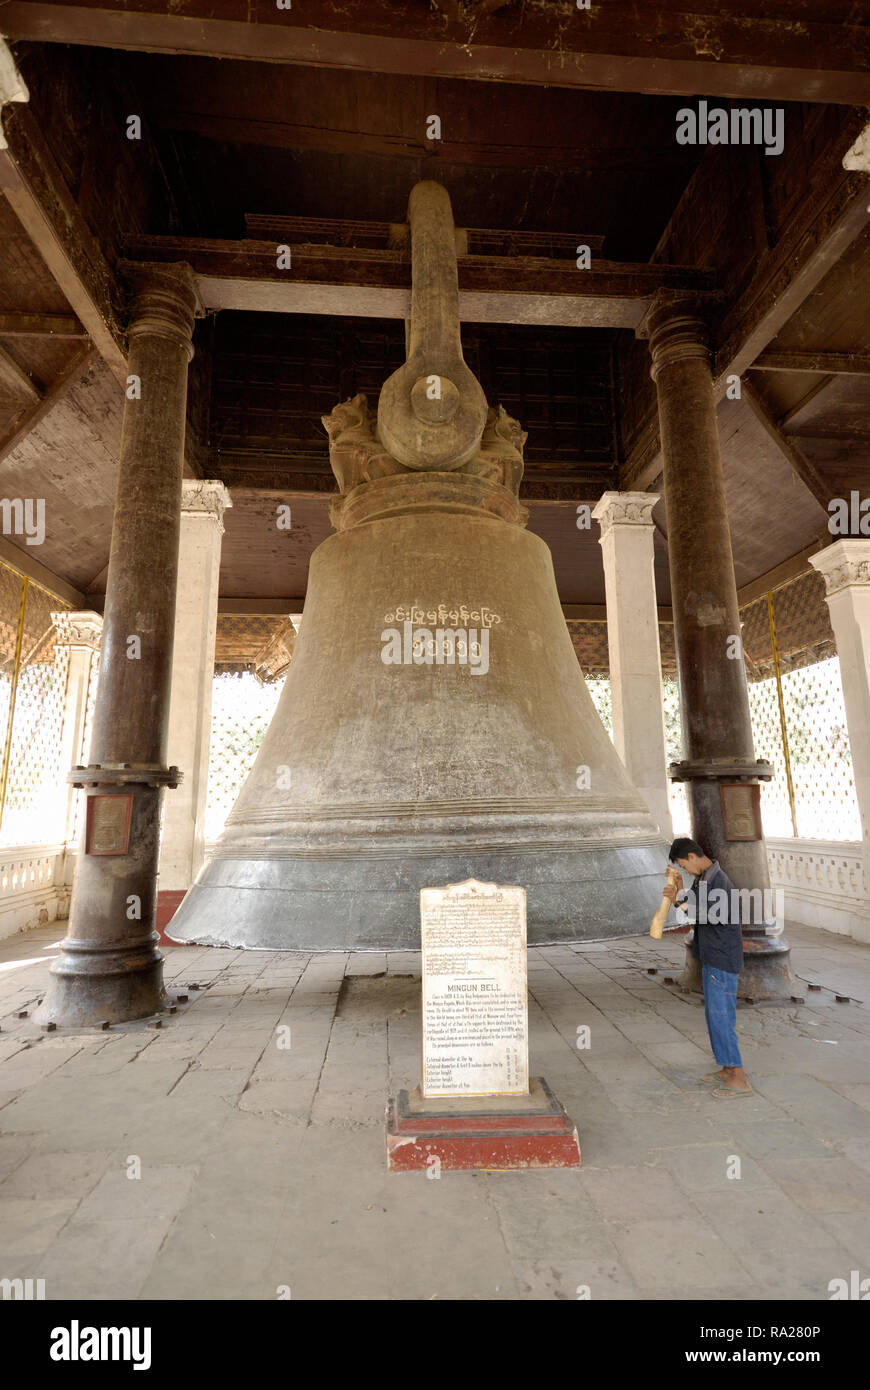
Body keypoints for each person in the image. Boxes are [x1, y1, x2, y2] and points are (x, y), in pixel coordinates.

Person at [664, 837, 752, 1097]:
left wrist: (677, 902)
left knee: (721, 1017)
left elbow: (705, 914)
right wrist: (680, 890)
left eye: (683, 865)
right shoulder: (705, 878)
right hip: (714, 957)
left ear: (692, 856)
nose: (685, 870)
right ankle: (726, 1069)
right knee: (716, 1017)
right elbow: (697, 902)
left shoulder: (719, 882)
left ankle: (739, 1077)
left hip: (722, 960)